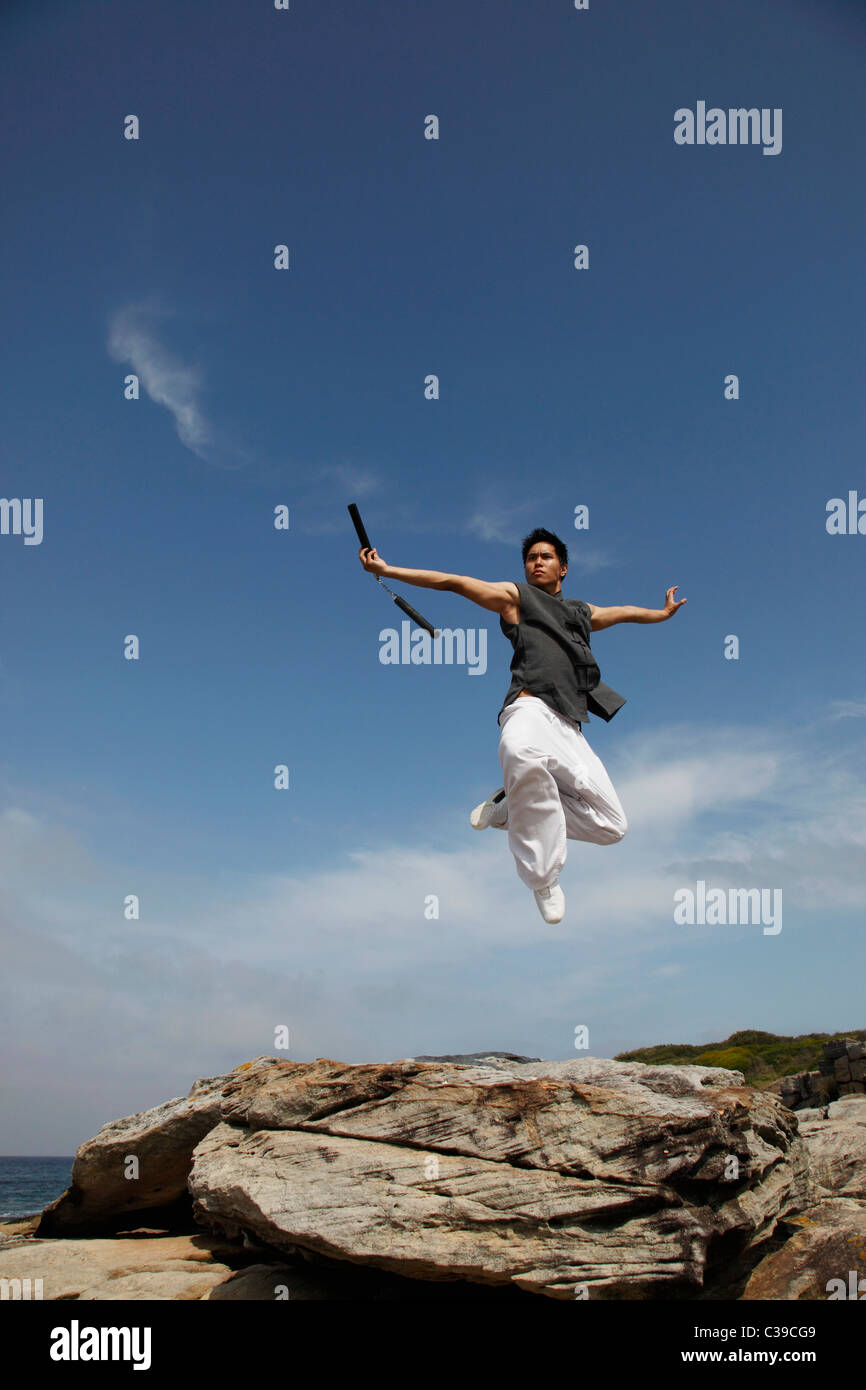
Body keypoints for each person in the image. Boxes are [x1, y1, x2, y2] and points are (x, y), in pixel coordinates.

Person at [358, 528, 686, 923]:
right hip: (529, 711)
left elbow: (623, 613)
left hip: (570, 728)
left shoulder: (581, 613)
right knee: (519, 751)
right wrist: (389, 570)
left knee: (613, 825)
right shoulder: (516, 598)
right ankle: (543, 877)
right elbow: (456, 583)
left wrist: (661, 614)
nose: (536, 562)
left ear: (563, 567)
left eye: (545, 557)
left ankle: (511, 807)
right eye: (531, 558)